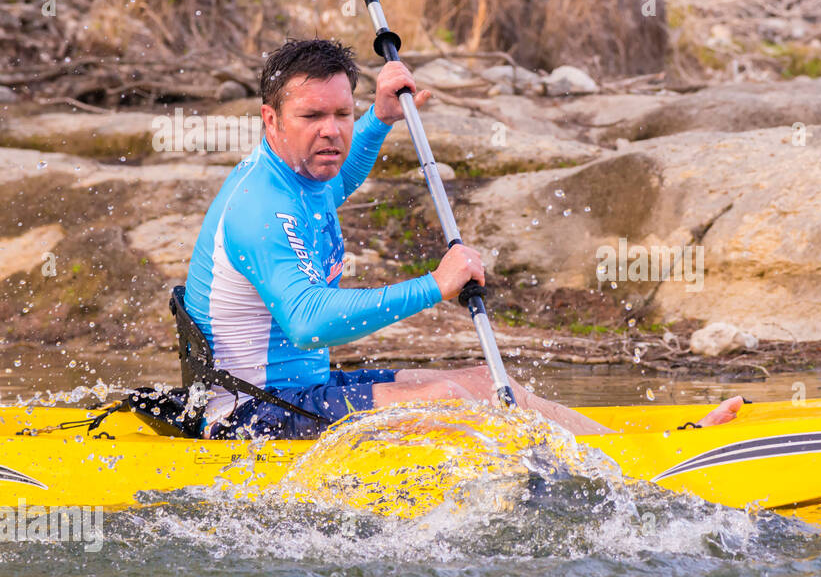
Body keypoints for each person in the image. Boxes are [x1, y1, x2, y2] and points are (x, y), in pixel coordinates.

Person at [184, 38, 742, 439]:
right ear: (270, 119)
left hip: (303, 390)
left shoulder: (299, 172)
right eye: (312, 116)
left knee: (489, 382)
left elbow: (340, 180)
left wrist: (379, 119)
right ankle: (610, 471)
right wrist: (434, 286)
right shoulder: (261, 204)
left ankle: (634, 453)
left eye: (342, 114)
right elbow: (308, 322)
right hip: (249, 415)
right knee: (452, 403)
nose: (331, 130)